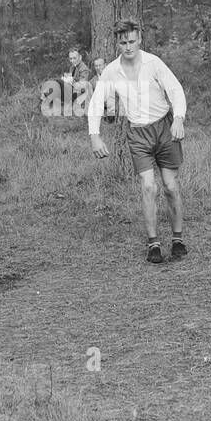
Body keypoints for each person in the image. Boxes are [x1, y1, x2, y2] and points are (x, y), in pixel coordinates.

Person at [88, 20, 188, 263]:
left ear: (139, 39)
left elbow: (175, 90)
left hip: (164, 128)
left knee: (170, 186)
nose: (128, 46)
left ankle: (177, 238)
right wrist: (95, 136)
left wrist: (179, 119)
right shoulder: (112, 70)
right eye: (123, 42)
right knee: (148, 186)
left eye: (132, 41)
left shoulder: (154, 63)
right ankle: (153, 243)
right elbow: (96, 102)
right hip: (138, 134)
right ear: (118, 43)